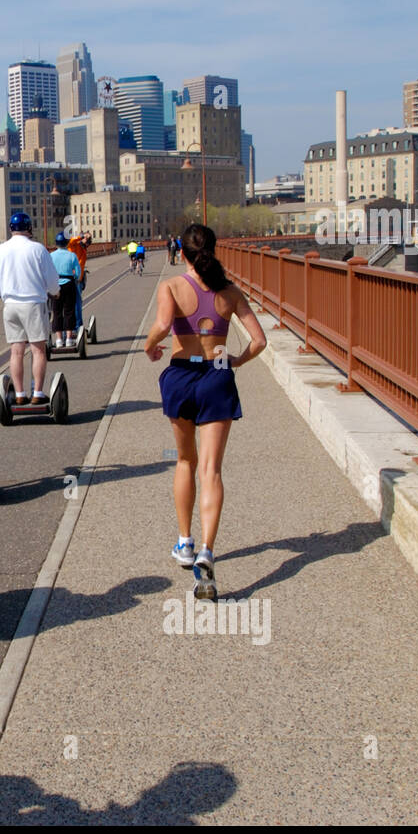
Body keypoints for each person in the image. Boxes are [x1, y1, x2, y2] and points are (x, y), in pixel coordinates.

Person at [143, 224, 267, 601]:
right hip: (216, 374)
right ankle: (207, 552)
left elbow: (164, 326)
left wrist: (150, 348)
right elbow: (259, 341)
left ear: (182, 253)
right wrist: (235, 361)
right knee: (211, 468)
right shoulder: (230, 292)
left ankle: (184, 543)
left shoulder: (173, 287)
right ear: (213, 250)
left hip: (181, 374)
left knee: (185, 460)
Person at [0, 211, 59, 404]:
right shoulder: (38, 249)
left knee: (16, 351)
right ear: (29, 228)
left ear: (11, 229)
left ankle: (19, 394)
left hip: (10, 305)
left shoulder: (1, 250)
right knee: (38, 350)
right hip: (34, 303)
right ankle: (37, 393)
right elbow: (53, 281)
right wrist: (54, 291)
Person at [49, 232, 82, 348]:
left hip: (56, 285)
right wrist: (76, 279)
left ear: (56, 243)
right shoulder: (72, 255)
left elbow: (47, 271)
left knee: (57, 312)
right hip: (69, 284)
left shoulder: (51, 256)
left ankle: (58, 340)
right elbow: (78, 273)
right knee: (69, 311)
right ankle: (68, 338)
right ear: (67, 243)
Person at [67, 231, 91, 332]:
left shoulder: (84, 249)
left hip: (79, 280)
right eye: (87, 239)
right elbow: (70, 242)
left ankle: (78, 326)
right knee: (74, 304)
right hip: (72, 279)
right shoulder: (75, 246)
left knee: (77, 304)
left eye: (89, 239)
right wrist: (80, 237)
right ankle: (75, 327)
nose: (89, 241)